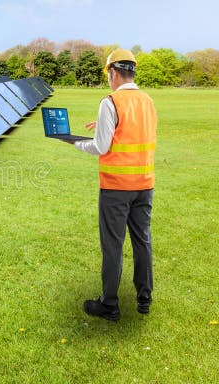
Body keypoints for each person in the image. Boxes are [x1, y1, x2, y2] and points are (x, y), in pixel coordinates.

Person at [66, 48, 157, 321]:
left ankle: (109, 303)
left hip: (116, 188)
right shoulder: (148, 101)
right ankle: (144, 298)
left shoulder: (110, 102)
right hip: (144, 184)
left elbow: (100, 147)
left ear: (114, 72)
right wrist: (104, 125)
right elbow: (132, 132)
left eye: (108, 75)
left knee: (113, 245)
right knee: (142, 241)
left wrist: (74, 142)